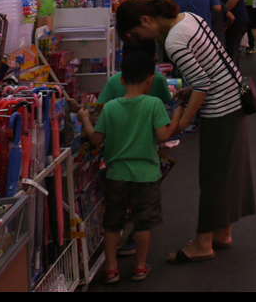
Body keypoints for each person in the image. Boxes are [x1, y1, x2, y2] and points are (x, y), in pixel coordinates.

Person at [116, 0, 256, 264]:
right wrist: (190, 90)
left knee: (213, 177)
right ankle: (222, 233)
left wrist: (180, 122)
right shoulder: (191, 18)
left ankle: (203, 243)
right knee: (228, 172)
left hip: (221, 109)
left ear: (146, 20)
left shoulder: (173, 41)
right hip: (236, 101)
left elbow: (204, 83)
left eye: (137, 32)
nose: (142, 38)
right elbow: (215, 65)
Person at [66, 48, 186, 282]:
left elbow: (97, 139)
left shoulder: (110, 107)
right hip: (146, 176)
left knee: (113, 223)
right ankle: (139, 266)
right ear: (151, 80)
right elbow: (163, 136)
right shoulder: (153, 105)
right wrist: (178, 114)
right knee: (142, 223)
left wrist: (83, 119)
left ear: (121, 80)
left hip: (116, 175)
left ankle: (111, 267)